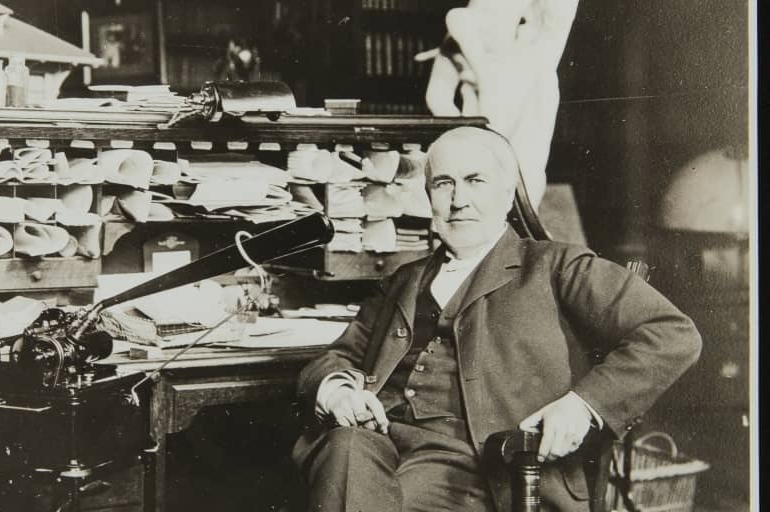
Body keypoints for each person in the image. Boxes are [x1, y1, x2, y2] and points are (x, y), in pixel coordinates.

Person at [292, 126, 701, 512]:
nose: (458, 200)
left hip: (485, 466)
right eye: (444, 183)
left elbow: (671, 333)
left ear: (508, 196)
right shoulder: (404, 280)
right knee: (343, 448)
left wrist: (581, 406)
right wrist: (338, 392)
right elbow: (337, 357)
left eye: (476, 181)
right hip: (378, 447)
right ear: (428, 195)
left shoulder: (556, 266)